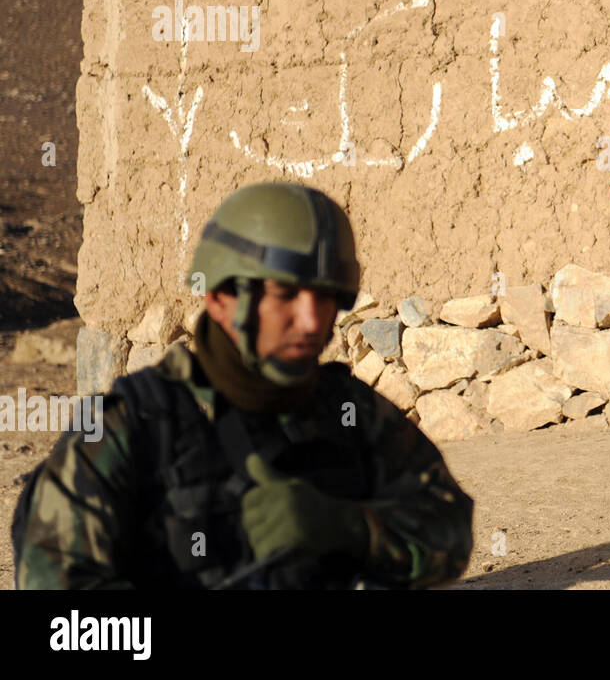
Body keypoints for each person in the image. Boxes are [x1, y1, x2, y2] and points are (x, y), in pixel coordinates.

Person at [14, 182, 473, 589]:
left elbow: (449, 531)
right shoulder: (126, 427)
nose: (312, 320)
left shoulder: (349, 413)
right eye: (286, 295)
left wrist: (350, 527)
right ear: (219, 298)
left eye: (326, 296)